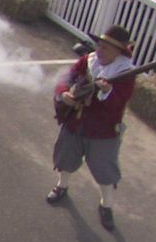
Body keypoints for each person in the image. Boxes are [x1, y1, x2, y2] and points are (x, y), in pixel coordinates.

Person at [46, 25, 136, 230]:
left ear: (118, 52)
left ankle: (106, 206)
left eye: (106, 48)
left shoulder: (126, 74)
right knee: (66, 156)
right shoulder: (88, 60)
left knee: (104, 169)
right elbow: (66, 79)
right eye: (100, 46)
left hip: (103, 130)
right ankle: (62, 186)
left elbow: (118, 105)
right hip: (75, 121)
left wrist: (107, 92)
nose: (100, 51)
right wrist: (63, 94)